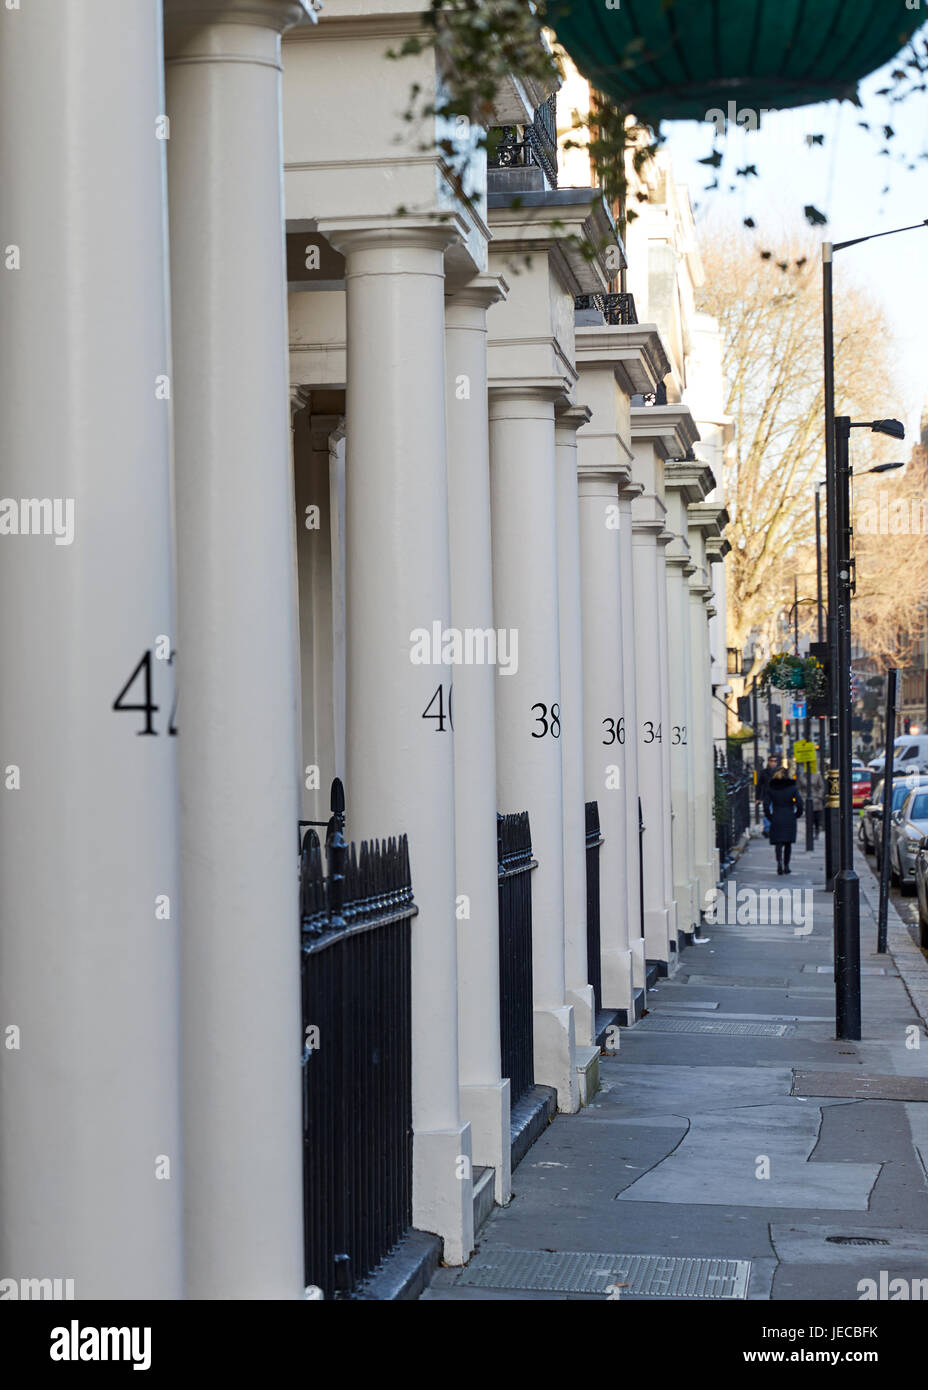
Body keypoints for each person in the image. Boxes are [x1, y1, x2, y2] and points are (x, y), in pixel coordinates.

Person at [764, 766, 804, 874]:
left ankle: (779, 862)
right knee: (788, 843)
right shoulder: (792, 788)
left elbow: (766, 805)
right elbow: (799, 803)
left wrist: (770, 817)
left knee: (778, 843)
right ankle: (786, 865)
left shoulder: (771, 788)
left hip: (777, 816)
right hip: (789, 816)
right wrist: (796, 815)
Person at [809, 769, 825, 838]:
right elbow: (800, 788)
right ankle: (810, 833)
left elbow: (822, 787)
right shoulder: (802, 775)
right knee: (809, 819)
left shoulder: (817, 775)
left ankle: (816, 831)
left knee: (816, 818)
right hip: (807, 800)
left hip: (816, 800)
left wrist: (819, 796)